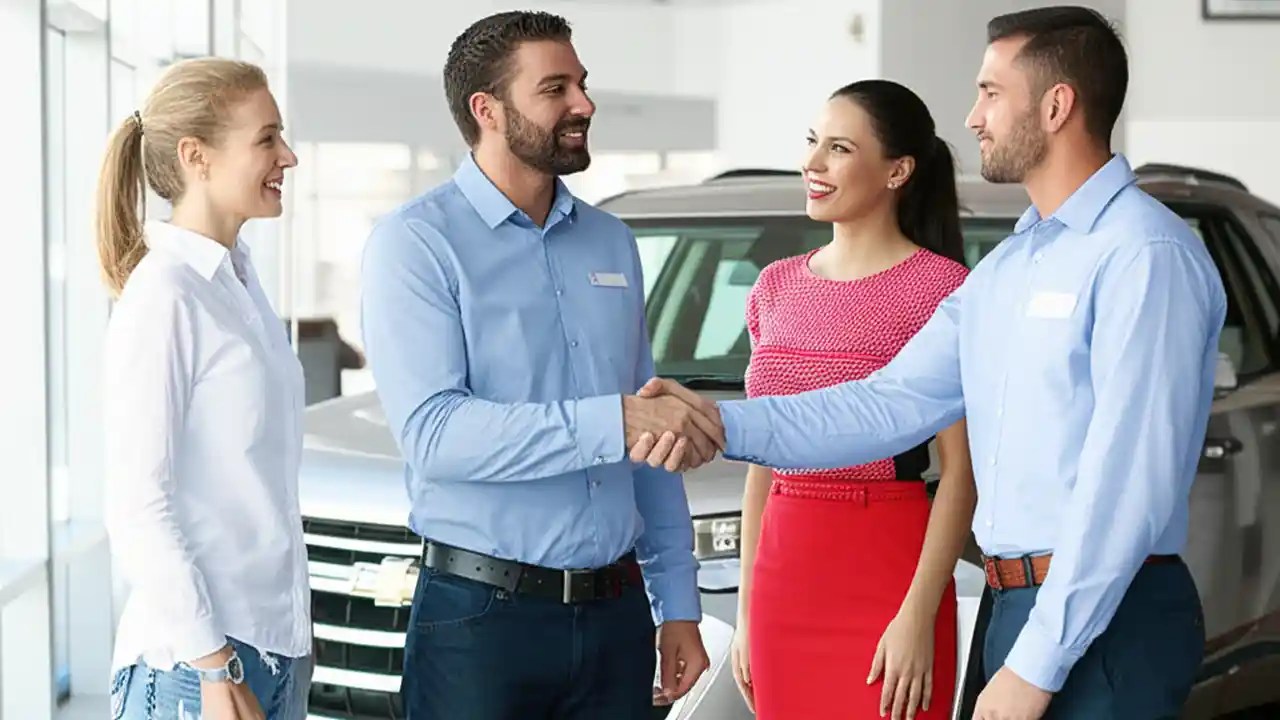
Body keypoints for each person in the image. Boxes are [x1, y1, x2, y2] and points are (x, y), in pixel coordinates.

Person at [635, 7, 1223, 719]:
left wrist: (1036, 665)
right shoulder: (1009, 269)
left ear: (1058, 104)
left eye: (990, 93)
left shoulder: (1144, 256)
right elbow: (884, 404)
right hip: (1017, 606)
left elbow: (1128, 486)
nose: (973, 118)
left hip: (1105, 616)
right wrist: (715, 422)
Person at [359, 11, 718, 719]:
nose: (583, 104)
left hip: (617, 620)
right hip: (480, 626)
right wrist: (613, 419)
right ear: (486, 111)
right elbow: (436, 437)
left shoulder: (612, 243)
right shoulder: (416, 246)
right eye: (555, 88)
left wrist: (677, 601)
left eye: (581, 84)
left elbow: (652, 442)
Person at [727, 79, 976, 720]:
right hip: (785, 576)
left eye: (838, 148)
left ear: (898, 171)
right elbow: (763, 457)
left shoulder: (943, 290)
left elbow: (960, 476)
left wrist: (919, 615)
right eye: (813, 142)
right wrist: (749, 613)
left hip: (889, 573)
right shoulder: (774, 286)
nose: (812, 164)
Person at [98, 57, 312, 720]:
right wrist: (212, 661)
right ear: (197, 156)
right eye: (266, 139)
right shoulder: (165, 293)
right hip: (199, 667)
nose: (289, 157)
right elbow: (137, 504)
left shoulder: (237, 281)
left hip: (270, 651)